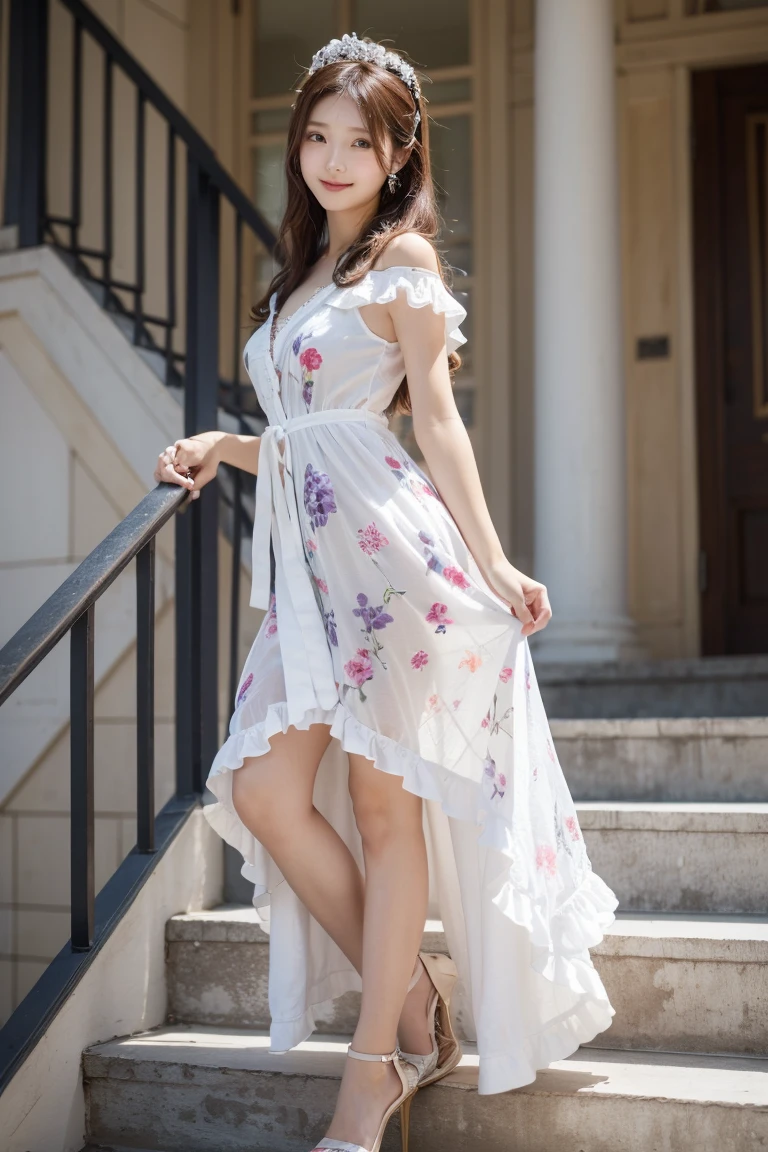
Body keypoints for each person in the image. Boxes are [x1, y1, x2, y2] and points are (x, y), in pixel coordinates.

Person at [154, 31, 619, 1152]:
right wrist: (227, 440)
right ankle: (410, 1005)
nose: (330, 157)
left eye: (356, 141)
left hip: (389, 562)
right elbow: (310, 438)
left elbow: (433, 424)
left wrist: (496, 560)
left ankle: (372, 1076)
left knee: (379, 808)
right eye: (314, 135)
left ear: (399, 152)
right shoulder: (302, 272)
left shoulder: (403, 265)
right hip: (309, 576)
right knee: (262, 788)